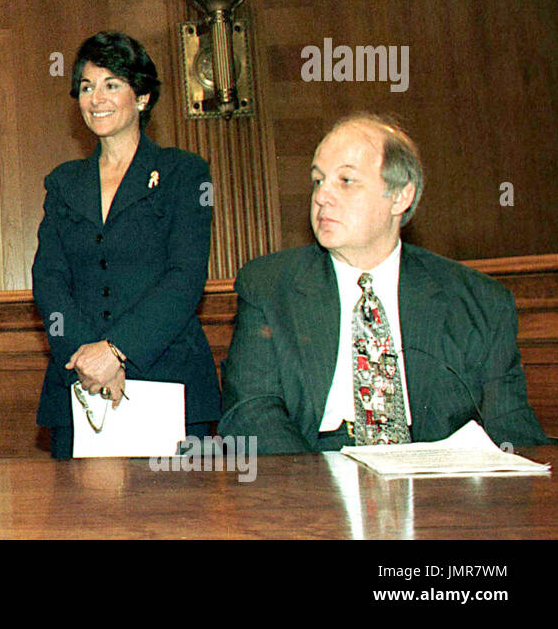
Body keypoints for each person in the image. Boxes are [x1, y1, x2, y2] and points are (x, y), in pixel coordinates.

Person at [219, 114, 550, 453]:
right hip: (314, 466)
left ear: (400, 196)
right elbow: (251, 412)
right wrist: (317, 495)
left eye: (346, 180)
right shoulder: (270, 286)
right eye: (318, 181)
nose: (322, 197)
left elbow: (510, 427)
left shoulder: (480, 302)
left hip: (438, 480)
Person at [32, 31, 220, 458]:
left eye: (111, 84)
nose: (96, 98)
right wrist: (89, 360)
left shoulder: (184, 174)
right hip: (78, 385)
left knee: (170, 525)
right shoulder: (63, 183)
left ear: (143, 97)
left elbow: (185, 278)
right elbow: (48, 278)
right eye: (86, 86)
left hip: (168, 380)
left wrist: (118, 352)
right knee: (79, 523)